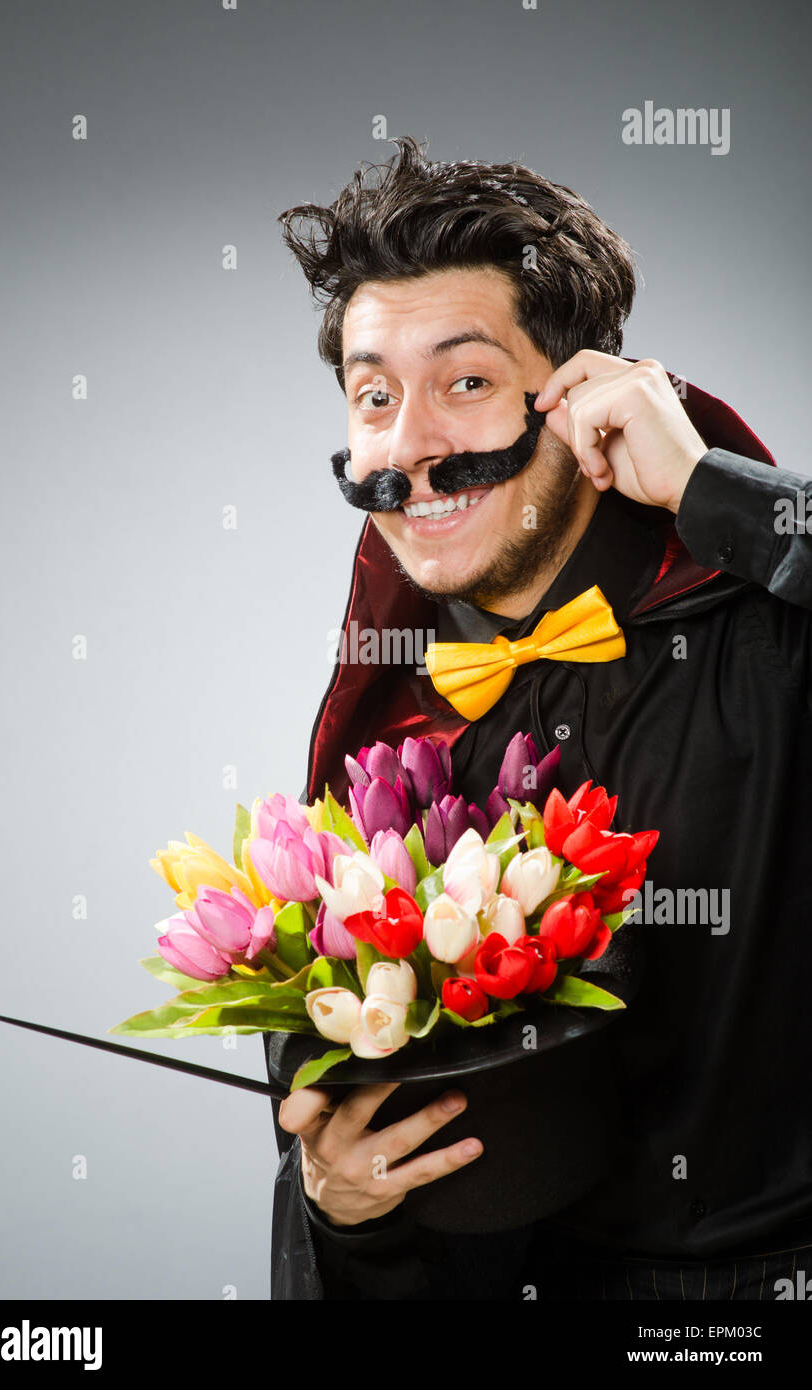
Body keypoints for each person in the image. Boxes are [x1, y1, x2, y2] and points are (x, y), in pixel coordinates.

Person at [262, 136, 812, 1299]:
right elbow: (355, 1167)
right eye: (374, 396)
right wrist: (345, 1206)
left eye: (464, 380)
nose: (408, 445)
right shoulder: (383, 742)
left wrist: (715, 488)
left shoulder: (773, 631)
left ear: (576, 395)